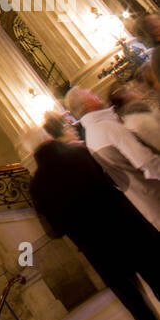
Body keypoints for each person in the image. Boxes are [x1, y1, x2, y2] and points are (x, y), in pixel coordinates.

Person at [29, 136, 160, 320]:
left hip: (99, 250)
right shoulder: (79, 153)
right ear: (50, 139)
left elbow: (54, 231)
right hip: (127, 229)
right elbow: (113, 182)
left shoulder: (37, 185)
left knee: (137, 307)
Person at [66, 86, 160, 229]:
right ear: (86, 105)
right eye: (90, 93)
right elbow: (145, 161)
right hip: (154, 191)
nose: (95, 93)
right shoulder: (106, 127)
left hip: (145, 200)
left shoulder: (91, 134)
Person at [110, 84, 160, 155]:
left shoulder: (141, 111)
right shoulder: (138, 119)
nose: (137, 90)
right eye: (131, 90)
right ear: (125, 97)